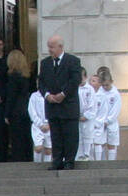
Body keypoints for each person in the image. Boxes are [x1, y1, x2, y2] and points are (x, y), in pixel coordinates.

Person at [38, 35, 81, 170]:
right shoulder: (45, 63)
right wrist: (47, 95)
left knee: (70, 135)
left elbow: (75, 80)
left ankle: (69, 161)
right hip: (52, 106)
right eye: (48, 47)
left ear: (60, 47)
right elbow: (41, 83)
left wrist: (63, 94)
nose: (49, 50)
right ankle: (57, 160)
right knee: (55, 135)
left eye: (52, 47)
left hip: (68, 106)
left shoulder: (73, 61)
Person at [4, 49, 33, 162]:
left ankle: (18, 159)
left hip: (16, 110)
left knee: (17, 138)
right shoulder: (26, 76)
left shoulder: (13, 77)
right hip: (26, 108)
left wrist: (6, 114)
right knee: (26, 136)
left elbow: (11, 96)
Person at [97, 67, 121, 162]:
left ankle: (111, 163)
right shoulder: (99, 92)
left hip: (111, 122)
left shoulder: (115, 94)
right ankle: (101, 162)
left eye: (107, 85)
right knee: (100, 142)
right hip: (100, 122)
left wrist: (109, 120)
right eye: (103, 85)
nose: (105, 87)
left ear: (111, 81)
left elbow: (116, 109)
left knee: (111, 143)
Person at [77, 68, 96, 162]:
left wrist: (86, 116)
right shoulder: (74, 88)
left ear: (85, 77)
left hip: (87, 117)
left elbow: (92, 104)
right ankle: (80, 154)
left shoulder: (90, 89)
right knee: (79, 135)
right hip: (77, 116)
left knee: (87, 135)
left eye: (81, 78)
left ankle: (87, 154)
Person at [29, 88, 51, 163]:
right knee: (38, 148)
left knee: (48, 150)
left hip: (49, 126)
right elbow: (32, 111)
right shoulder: (34, 96)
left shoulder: (51, 95)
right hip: (38, 126)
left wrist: (49, 124)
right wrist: (40, 124)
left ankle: (47, 166)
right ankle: (37, 165)